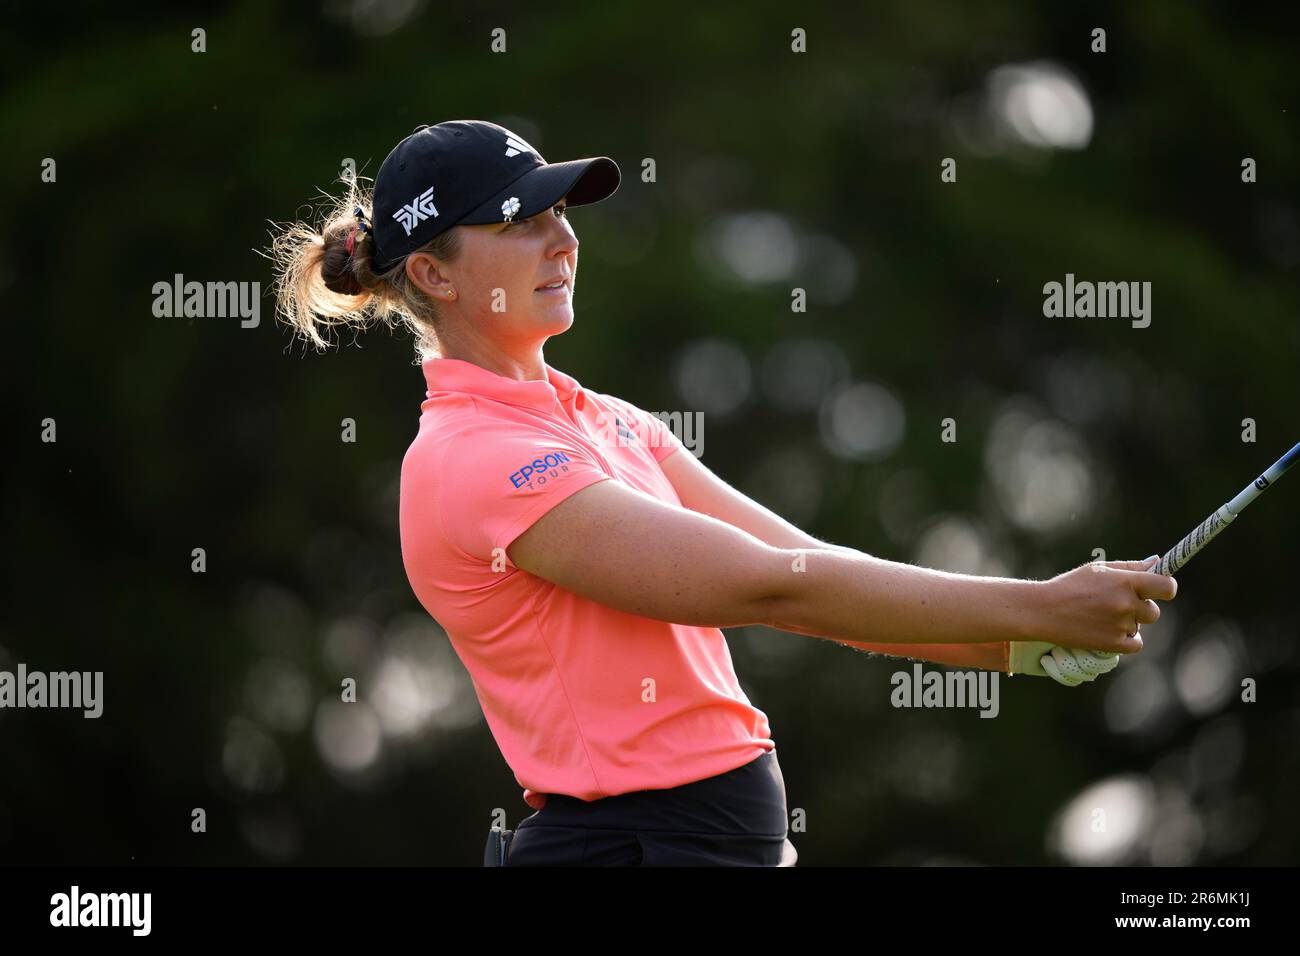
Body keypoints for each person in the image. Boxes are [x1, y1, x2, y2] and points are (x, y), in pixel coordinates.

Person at [266, 119, 1178, 866]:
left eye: (559, 212)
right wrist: (1039, 607)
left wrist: (1021, 646)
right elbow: (768, 585)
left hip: (712, 846)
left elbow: (818, 574)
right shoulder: (467, 459)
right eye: (520, 223)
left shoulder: (607, 419)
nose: (563, 238)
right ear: (433, 272)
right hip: (636, 851)